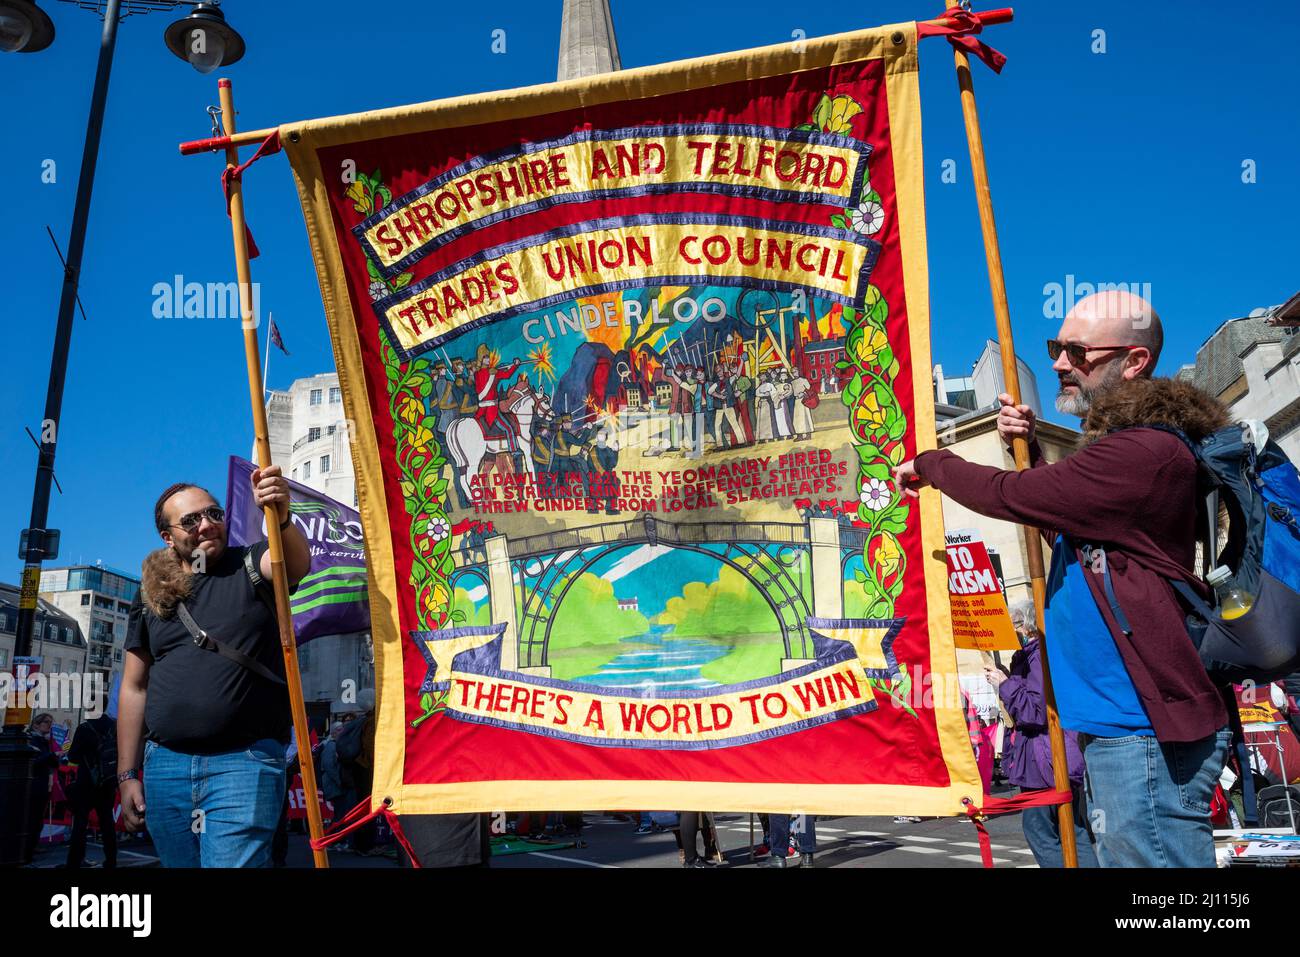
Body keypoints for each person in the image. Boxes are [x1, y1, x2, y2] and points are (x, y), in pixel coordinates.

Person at [894, 290, 1231, 867]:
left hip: (1141, 726)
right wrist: (1023, 449)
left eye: (1076, 350)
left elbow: (1010, 496)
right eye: (1055, 347)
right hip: (1121, 723)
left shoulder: (1144, 451)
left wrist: (931, 463)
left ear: (1133, 362)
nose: (1057, 362)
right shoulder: (1129, 452)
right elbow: (1076, 537)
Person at [119, 469, 311, 867]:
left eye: (214, 514)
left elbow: (294, 565)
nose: (206, 524)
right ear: (168, 537)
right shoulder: (150, 596)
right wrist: (126, 774)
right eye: (190, 520)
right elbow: (134, 687)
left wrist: (282, 517)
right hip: (165, 766)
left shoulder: (252, 563)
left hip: (243, 764)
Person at [986, 600, 1099, 867]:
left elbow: (1036, 712)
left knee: (1041, 831)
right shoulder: (1046, 654)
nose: (1014, 632)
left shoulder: (1039, 657)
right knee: (1073, 830)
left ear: (1027, 626)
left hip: (1045, 760)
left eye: (1015, 625)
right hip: (1056, 755)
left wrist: (1005, 684)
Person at [64, 705, 118, 869]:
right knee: (107, 823)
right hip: (107, 782)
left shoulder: (84, 728)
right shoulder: (113, 726)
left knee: (80, 824)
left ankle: (74, 861)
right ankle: (111, 861)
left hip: (86, 781)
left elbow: (73, 755)